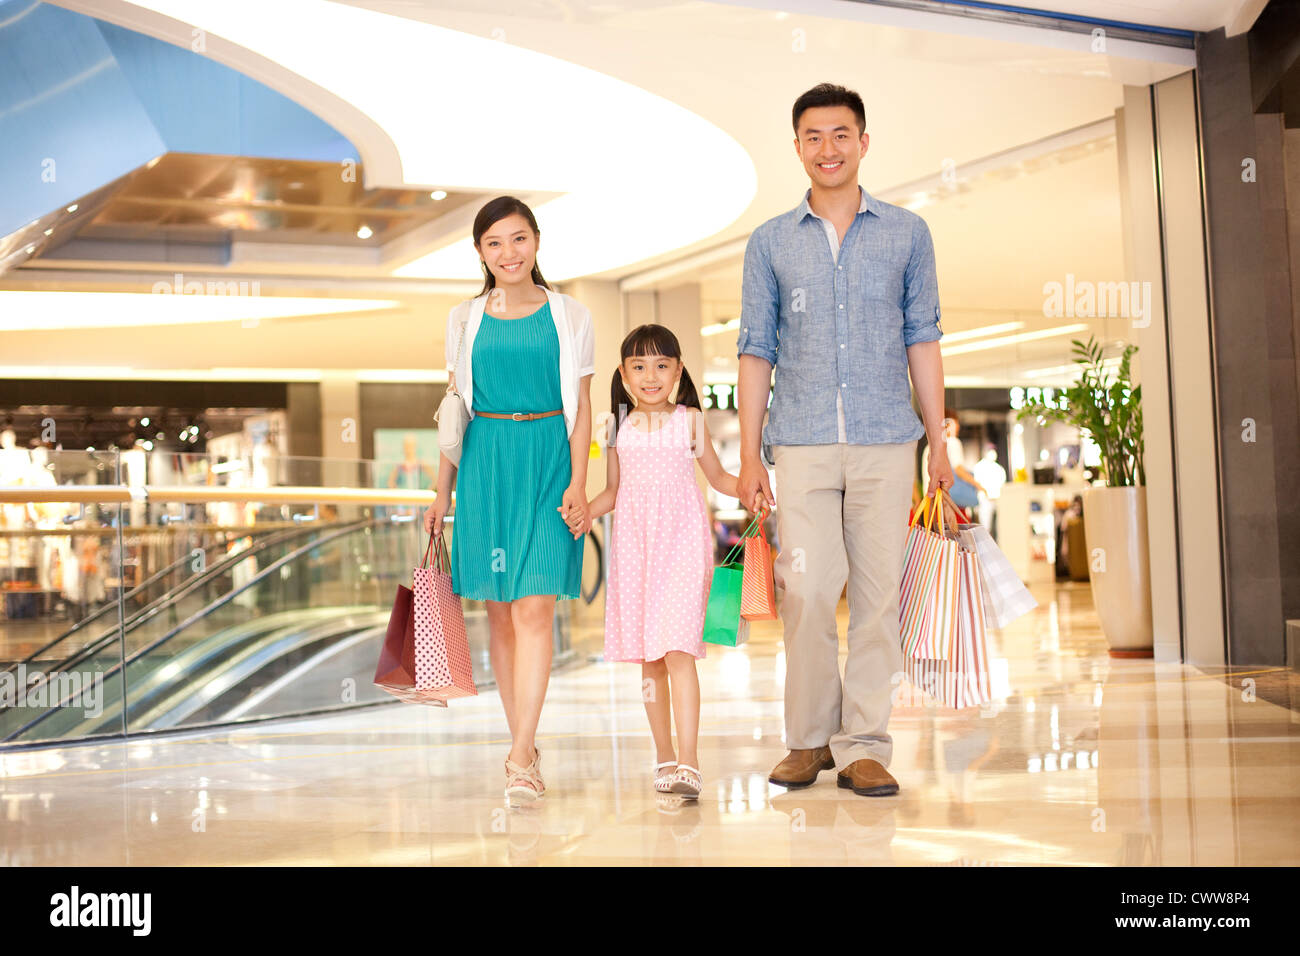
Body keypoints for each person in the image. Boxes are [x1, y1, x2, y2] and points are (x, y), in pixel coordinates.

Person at [735, 82, 957, 799]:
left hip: (887, 440)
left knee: (877, 597)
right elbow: (754, 349)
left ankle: (863, 743)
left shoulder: (906, 234)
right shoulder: (770, 241)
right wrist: (746, 455)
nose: (827, 148)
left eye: (840, 135)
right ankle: (807, 740)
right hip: (797, 442)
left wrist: (939, 442)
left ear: (863, 142)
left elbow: (923, 338)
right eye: (812, 136)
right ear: (796, 147)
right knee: (805, 589)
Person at [424, 196, 594, 805]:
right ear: (479, 253)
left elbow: (582, 411)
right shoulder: (464, 319)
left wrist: (579, 483)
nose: (508, 253)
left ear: (537, 242)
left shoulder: (570, 315)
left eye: (518, 239)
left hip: (548, 460)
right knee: (498, 608)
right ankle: (522, 740)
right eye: (494, 243)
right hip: (486, 465)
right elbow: (454, 411)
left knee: (534, 608)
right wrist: (440, 493)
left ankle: (521, 754)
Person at [587, 325, 758, 799]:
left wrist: (754, 488)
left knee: (679, 652)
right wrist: (582, 513)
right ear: (623, 374)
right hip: (635, 550)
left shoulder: (690, 422)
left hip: (682, 544)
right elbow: (612, 493)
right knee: (651, 659)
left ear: (679, 370)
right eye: (639, 367)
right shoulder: (616, 426)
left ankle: (690, 762)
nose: (650, 376)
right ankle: (663, 755)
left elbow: (720, 478)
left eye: (662, 365)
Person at [921, 407, 986, 516]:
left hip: (932, 503)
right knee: (958, 531)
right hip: (951, 503)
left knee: (938, 532)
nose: (958, 427)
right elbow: (959, 470)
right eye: (956, 423)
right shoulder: (953, 442)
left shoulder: (929, 447)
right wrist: (978, 485)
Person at [972, 444, 1007, 539]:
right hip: (985, 500)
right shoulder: (979, 467)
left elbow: (1003, 484)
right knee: (986, 526)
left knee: (1001, 525)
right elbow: (977, 484)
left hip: (998, 500)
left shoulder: (999, 469)